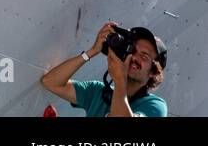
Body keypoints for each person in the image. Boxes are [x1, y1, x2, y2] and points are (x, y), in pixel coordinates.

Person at [39, 22, 168, 117]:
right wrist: (91, 52)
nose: (134, 57)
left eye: (144, 56)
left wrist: (119, 80)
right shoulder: (99, 92)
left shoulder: (155, 106)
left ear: (153, 72)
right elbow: (50, 82)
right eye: (132, 50)